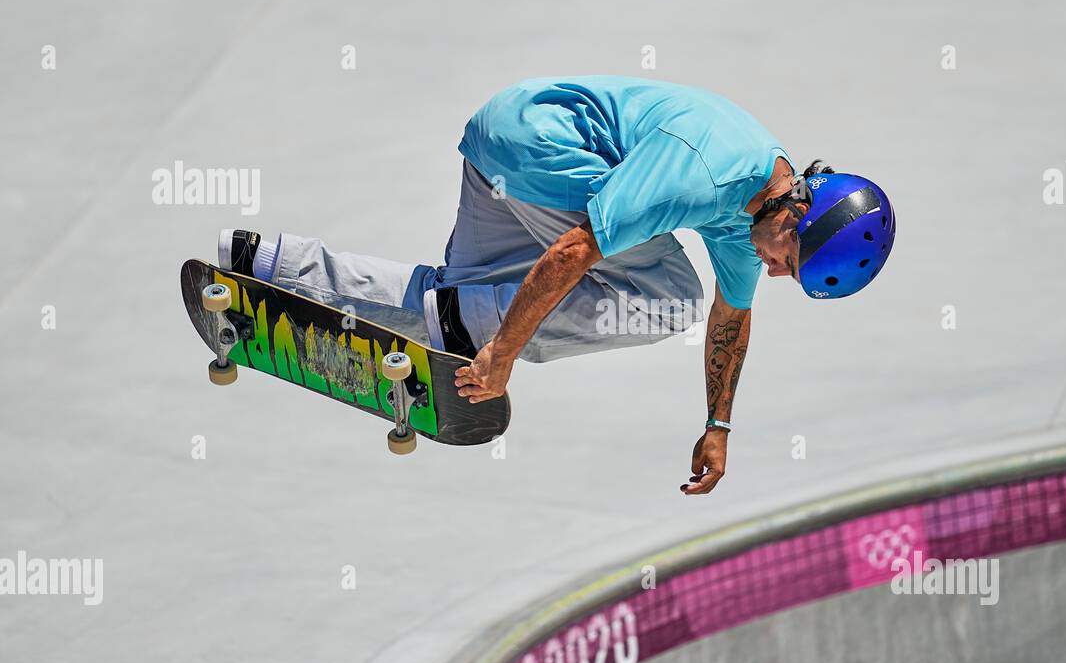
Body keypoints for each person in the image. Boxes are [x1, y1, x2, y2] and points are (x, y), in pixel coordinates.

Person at [217, 76, 895, 494]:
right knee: (672, 301)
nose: (775, 272)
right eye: (788, 260)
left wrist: (717, 426)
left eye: (789, 276)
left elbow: (733, 316)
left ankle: (268, 264)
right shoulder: (706, 172)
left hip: (500, 146)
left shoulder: (756, 212)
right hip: (538, 153)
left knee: (447, 307)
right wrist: (504, 352)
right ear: (799, 208)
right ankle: (477, 330)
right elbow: (573, 252)